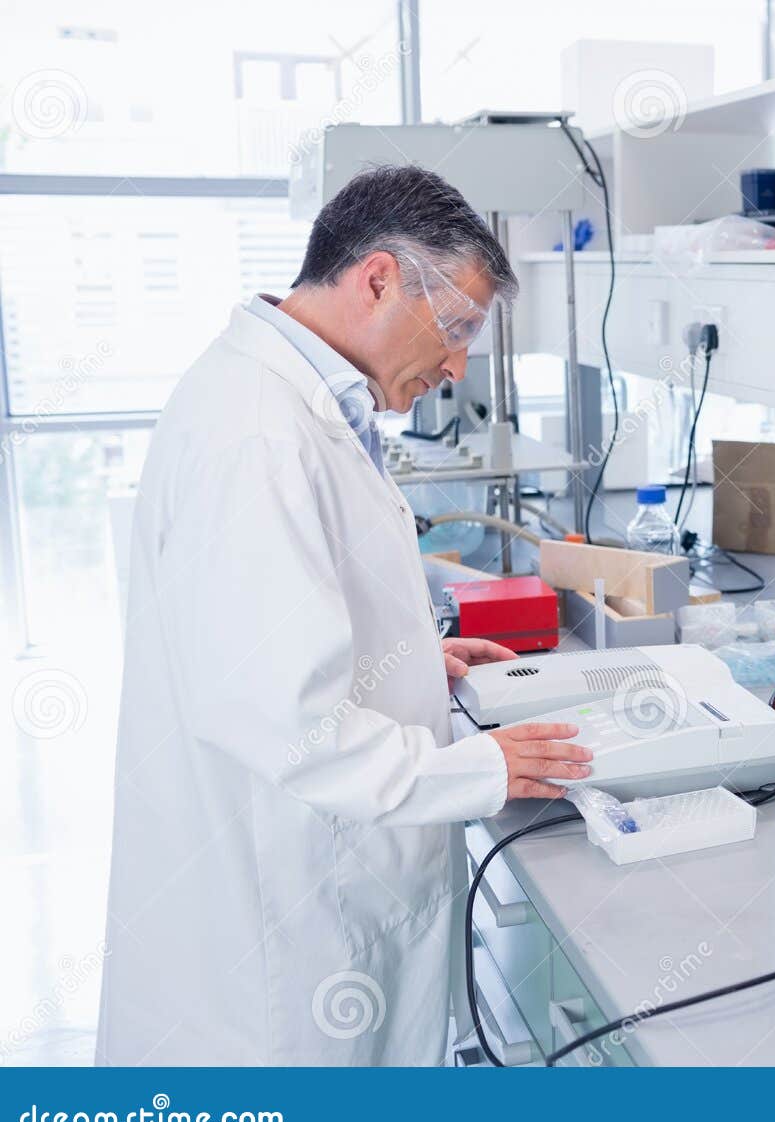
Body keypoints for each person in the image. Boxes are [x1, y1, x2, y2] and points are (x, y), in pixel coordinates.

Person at [96, 166, 591, 1065]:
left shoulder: (297, 404)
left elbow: (272, 634)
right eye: (458, 328)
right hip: (281, 951)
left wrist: (406, 660)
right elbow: (285, 719)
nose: (456, 366)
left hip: (325, 896)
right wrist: (480, 767)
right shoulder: (254, 429)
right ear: (376, 280)